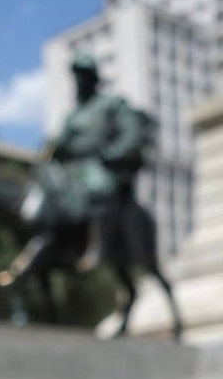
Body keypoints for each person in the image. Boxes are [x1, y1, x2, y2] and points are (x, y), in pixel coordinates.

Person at [47, 52, 151, 270]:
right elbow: (60, 143)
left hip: (101, 165)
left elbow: (131, 135)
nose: (79, 81)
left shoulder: (112, 104)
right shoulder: (73, 115)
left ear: (93, 79)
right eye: (77, 76)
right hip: (72, 169)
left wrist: (110, 154)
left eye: (84, 75)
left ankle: (98, 247)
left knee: (98, 186)